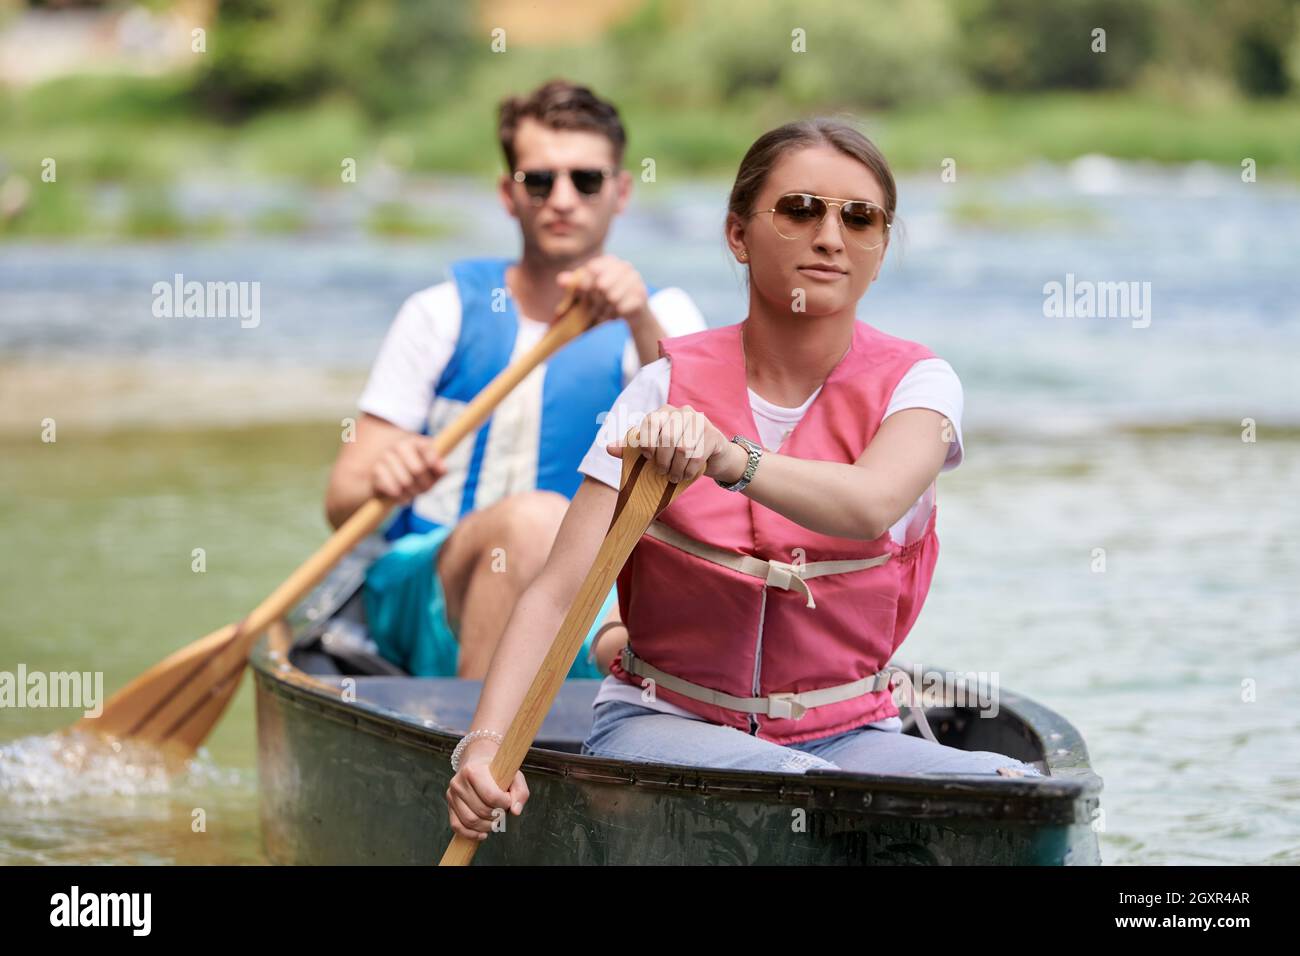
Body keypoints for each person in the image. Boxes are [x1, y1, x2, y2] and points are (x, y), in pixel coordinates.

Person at [444, 117, 1042, 844]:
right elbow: (557, 591)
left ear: (879, 250)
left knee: (1022, 799)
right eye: (799, 210)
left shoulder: (921, 385)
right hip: (666, 723)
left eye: (860, 219)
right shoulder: (660, 391)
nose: (830, 237)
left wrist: (731, 459)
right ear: (737, 235)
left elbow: (872, 503)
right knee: (811, 804)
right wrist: (481, 749)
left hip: (853, 733)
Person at [324, 80, 706, 680]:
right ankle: (482, 755)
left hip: (594, 595)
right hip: (429, 591)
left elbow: (707, 488)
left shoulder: (667, 319)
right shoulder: (439, 313)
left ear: (621, 192)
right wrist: (385, 477)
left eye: (585, 180)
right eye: (538, 180)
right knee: (530, 526)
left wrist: (638, 319)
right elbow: (342, 503)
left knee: (676, 608)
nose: (561, 199)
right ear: (508, 194)